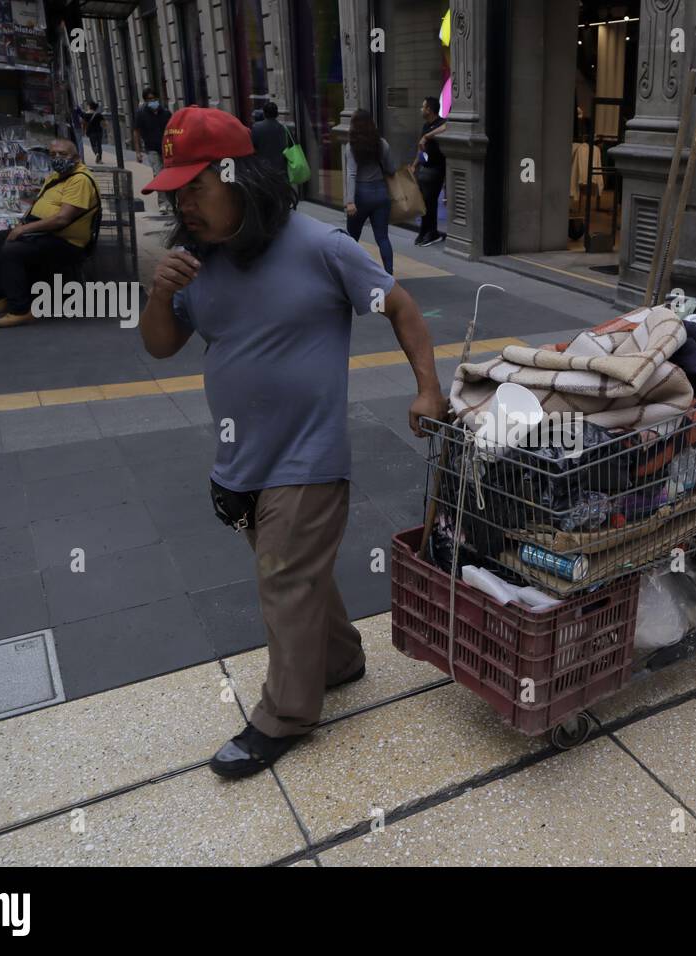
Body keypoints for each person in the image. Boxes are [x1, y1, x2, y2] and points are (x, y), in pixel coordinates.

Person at [137, 107, 445, 778]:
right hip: (241, 459)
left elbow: (401, 307)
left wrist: (427, 388)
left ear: (240, 177)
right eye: (175, 192)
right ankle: (339, 659)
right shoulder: (196, 264)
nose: (182, 203)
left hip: (310, 457)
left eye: (196, 187)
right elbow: (161, 346)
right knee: (296, 575)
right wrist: (158, 298)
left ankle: (285, 715)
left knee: (282, 575)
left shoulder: (321, 247)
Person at [0, 139, 99, 329]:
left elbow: (62, 219)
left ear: (76, 157)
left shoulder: (79, 180)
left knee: (12, 250)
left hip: (66, 241)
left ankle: (20, 310)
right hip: (45, 233)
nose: (56, 158)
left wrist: (23, 229)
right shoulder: (56, 176)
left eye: (62, 154)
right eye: (53, 154)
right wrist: (23, 222)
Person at [344, 109, 396, 274]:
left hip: (361, 194)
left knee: (352, 237)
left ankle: (349, 272)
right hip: (381, 193)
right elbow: (391, 169)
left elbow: (351, 174)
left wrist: (350, 201)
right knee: (382, 237)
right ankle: (389, 274)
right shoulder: (382, 144)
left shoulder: (351, 146)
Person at [410, 95, 446, 246]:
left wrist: (427, 136)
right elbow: (422, 151)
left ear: (429, 110)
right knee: (423, 203)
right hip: (425, 169)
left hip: (436, 170)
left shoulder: (441, 123)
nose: (421, 109)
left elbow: (448, 127)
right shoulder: (425, 125)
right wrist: (414, 165)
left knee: (430, 203)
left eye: (423, 107)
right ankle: (424, 231)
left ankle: (432, 233)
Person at [133, 88, 173, 215]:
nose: (152, 101)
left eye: (154, 99)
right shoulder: (141, 114)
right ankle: (162, 203)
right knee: (158, 174)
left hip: (167, 148)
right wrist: (138, 152)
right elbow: (136, 132)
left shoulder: (166, 113)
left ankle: (172, 202)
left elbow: (173, 129)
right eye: (149, 100)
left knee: (170, 174)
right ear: (145, 101)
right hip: (151, 148)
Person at [250, 100, 288, 174]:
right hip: (280, 168)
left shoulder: (257, 127)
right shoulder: (282, 128)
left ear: (264, 113)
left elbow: (253, 146)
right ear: (277, 114)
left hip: (263, 168)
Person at [80, 99, 105, 164]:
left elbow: (84, 123)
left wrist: (83, 131)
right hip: (99, 131)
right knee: (99, 145)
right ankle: (100, 160)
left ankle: (96, 153)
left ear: (89, 106)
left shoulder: (86, 115)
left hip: (91, 132)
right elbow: (103, 123)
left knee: (93, 144)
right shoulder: (98, 114)